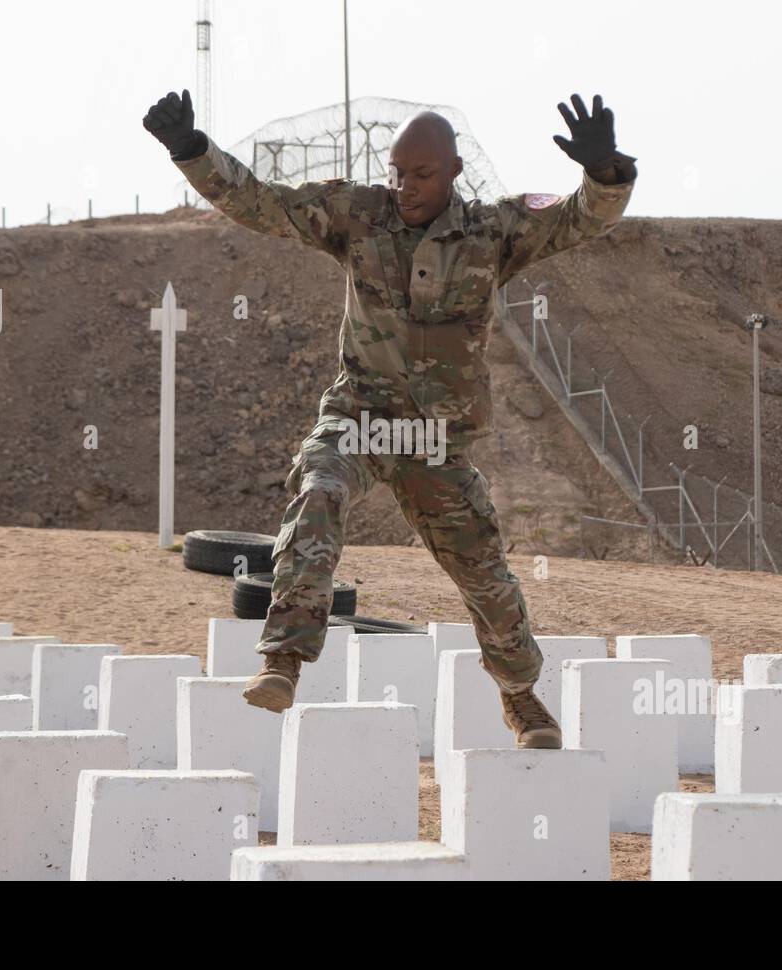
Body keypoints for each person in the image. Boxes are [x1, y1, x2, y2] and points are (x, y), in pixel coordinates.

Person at [144, 89, 638, 747]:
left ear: (454, 172)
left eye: (421, 174)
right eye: (396, 172)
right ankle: (284, 659)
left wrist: (605, 174)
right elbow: (261, 204)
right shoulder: (357, 215)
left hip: (435, 443)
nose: (404, 186)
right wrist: (191, 150)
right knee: (319, 488)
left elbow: (581, 219)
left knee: (485, 575)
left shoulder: (494, 232)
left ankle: (521, 698)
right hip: (360, 419)